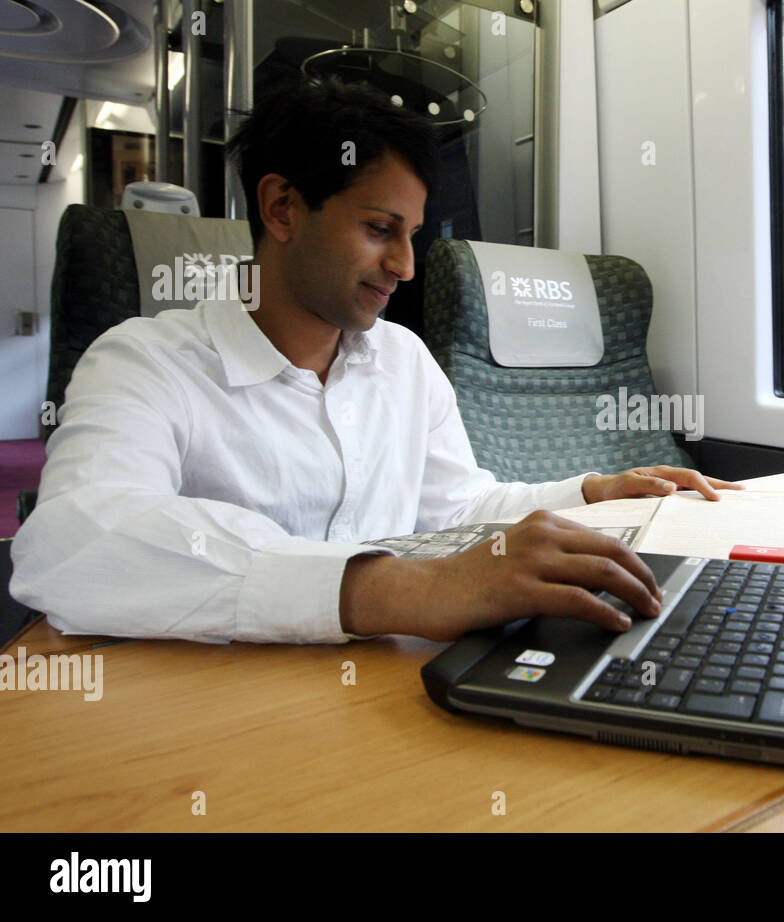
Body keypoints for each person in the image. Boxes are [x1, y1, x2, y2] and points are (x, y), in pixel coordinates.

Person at [10, 76, 740, 645]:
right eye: (378, 229)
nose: (404, 266)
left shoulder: (406, 361)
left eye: (412, 236)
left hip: (387, 692)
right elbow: (74, 539)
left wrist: (588, 493)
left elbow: (456, 509)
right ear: (282, 209)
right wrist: (403, 591)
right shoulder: (144, 363)